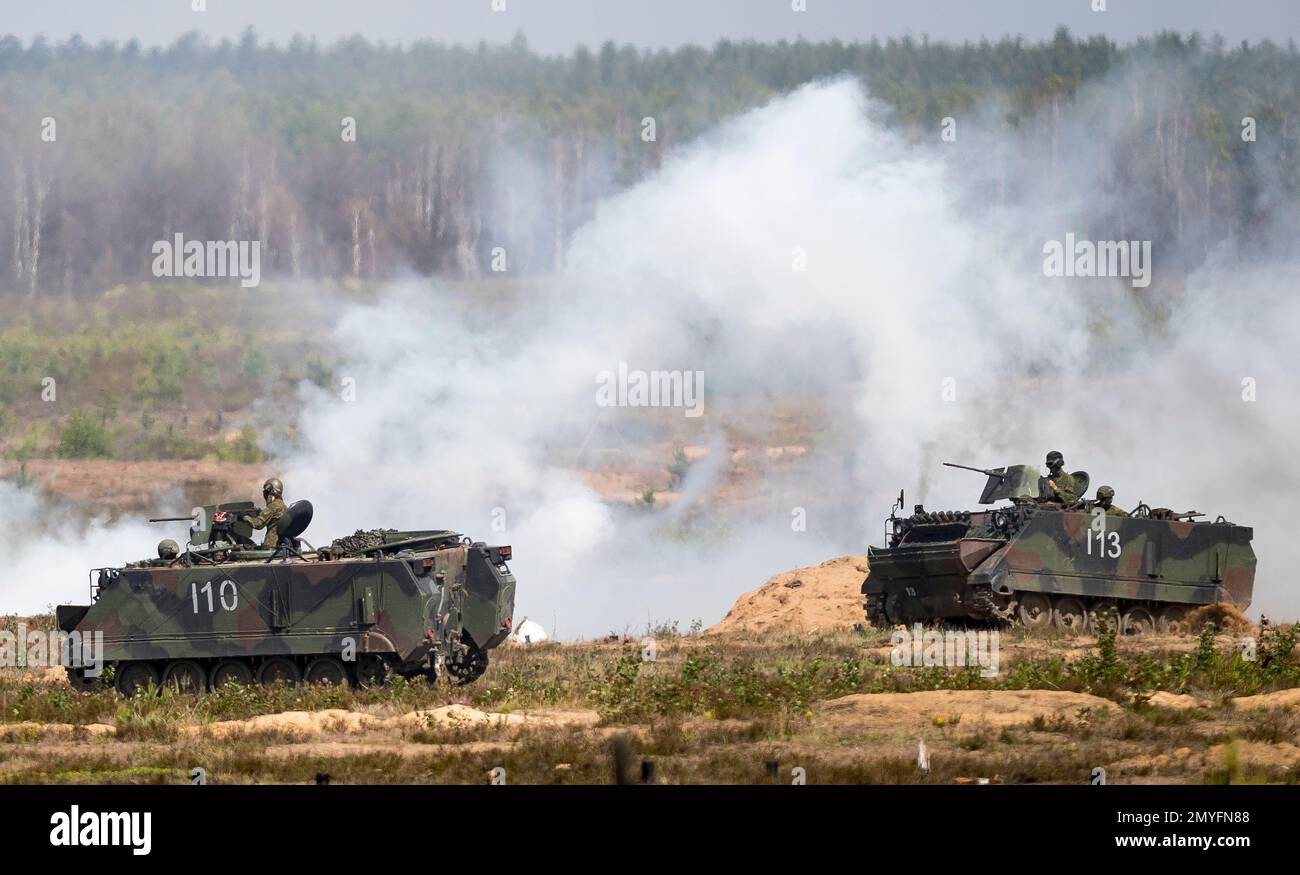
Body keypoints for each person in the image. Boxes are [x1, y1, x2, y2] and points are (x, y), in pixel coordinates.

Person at [242, 478, 287, 548]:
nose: (265, 496)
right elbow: (273, 519)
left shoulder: (273, 506)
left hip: (271, 546)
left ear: (271, 493)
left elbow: (258, 524)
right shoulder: (283, 506)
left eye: (266, 494)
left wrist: (244, 516)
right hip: (280, 545)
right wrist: (260, 512)